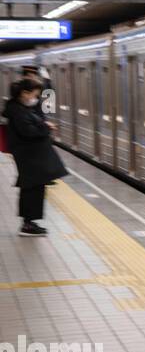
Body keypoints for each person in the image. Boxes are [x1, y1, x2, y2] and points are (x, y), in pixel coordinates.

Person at [3, 79, 67, 236]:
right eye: (34, 95)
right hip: (29, 158)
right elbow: (29, 132)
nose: (35, 98)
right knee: (31, 190)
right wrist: (46, 127)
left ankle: (29, 223)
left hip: (31, 157)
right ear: (24, 93)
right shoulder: (18, 111)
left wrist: (43, 126)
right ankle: (27, 225)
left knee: (33, 189)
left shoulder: (19, 108)